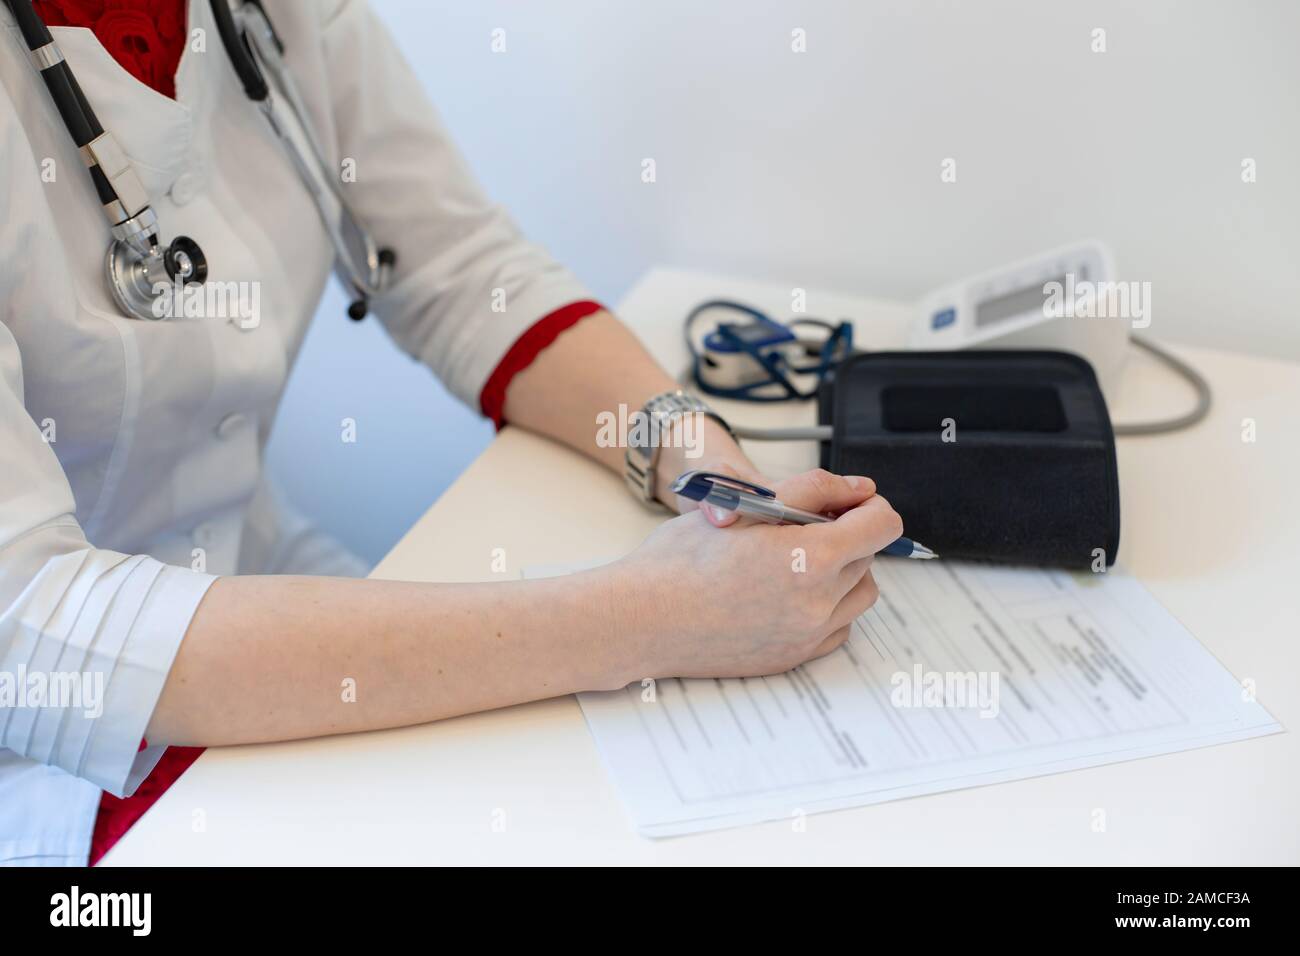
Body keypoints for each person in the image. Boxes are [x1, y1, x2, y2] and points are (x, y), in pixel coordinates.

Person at [0, 0, 902, 866]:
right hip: (49, 759)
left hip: (261, 586)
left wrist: (703, 467)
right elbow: (33, 624)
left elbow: (464, 269)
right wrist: (657, 616)